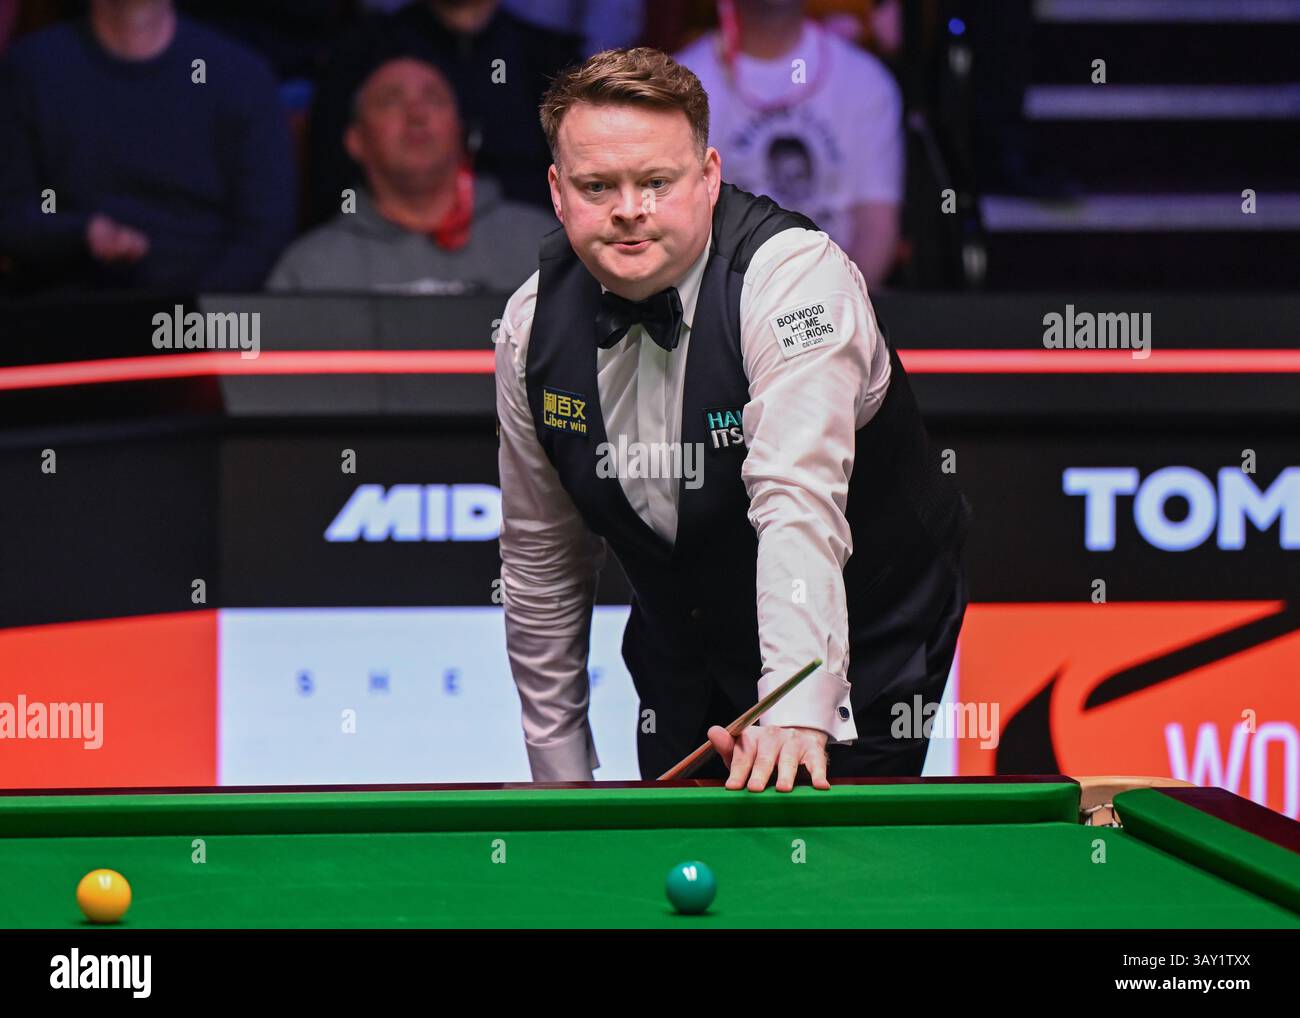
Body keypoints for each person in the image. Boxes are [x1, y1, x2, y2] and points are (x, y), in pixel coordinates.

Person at [494, 47, 969, 790]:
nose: (628, 209)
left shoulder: (797, 282)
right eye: (597, 186)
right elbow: (543, 565)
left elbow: (796, 503)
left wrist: (795, 708)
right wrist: (558, 786)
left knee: (824, 888)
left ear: (710, 176)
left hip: (864, 638)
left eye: (657, 181)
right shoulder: (529, 329)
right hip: (679, 649)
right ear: (557, 193)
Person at [0, 0, 294, 292]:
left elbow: (264, 231)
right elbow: (12, 213)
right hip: (65, 306)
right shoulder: (33, 69)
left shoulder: (240, 77)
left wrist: (199, 316)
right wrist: (82, 232)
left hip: (204, 309)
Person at [269, 57, 554, 294]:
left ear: (461, 130)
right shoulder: (309, 268)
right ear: (355, 140)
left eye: (434, 99)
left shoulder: (543, 245)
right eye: (391, 101)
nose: (416, 114)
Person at [674, 0, 904, 286]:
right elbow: (676, 230)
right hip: (723, 313)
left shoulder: (865, 81)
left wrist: (833, 312)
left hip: (837, 306)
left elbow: (875, 228)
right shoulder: (680, 84)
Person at [308, 0, 582, 222]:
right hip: (375, 259)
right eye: (392, 100)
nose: (417, 114)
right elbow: (330, 190)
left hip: (522, 260)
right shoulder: (359, 54)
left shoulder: (552, 59)